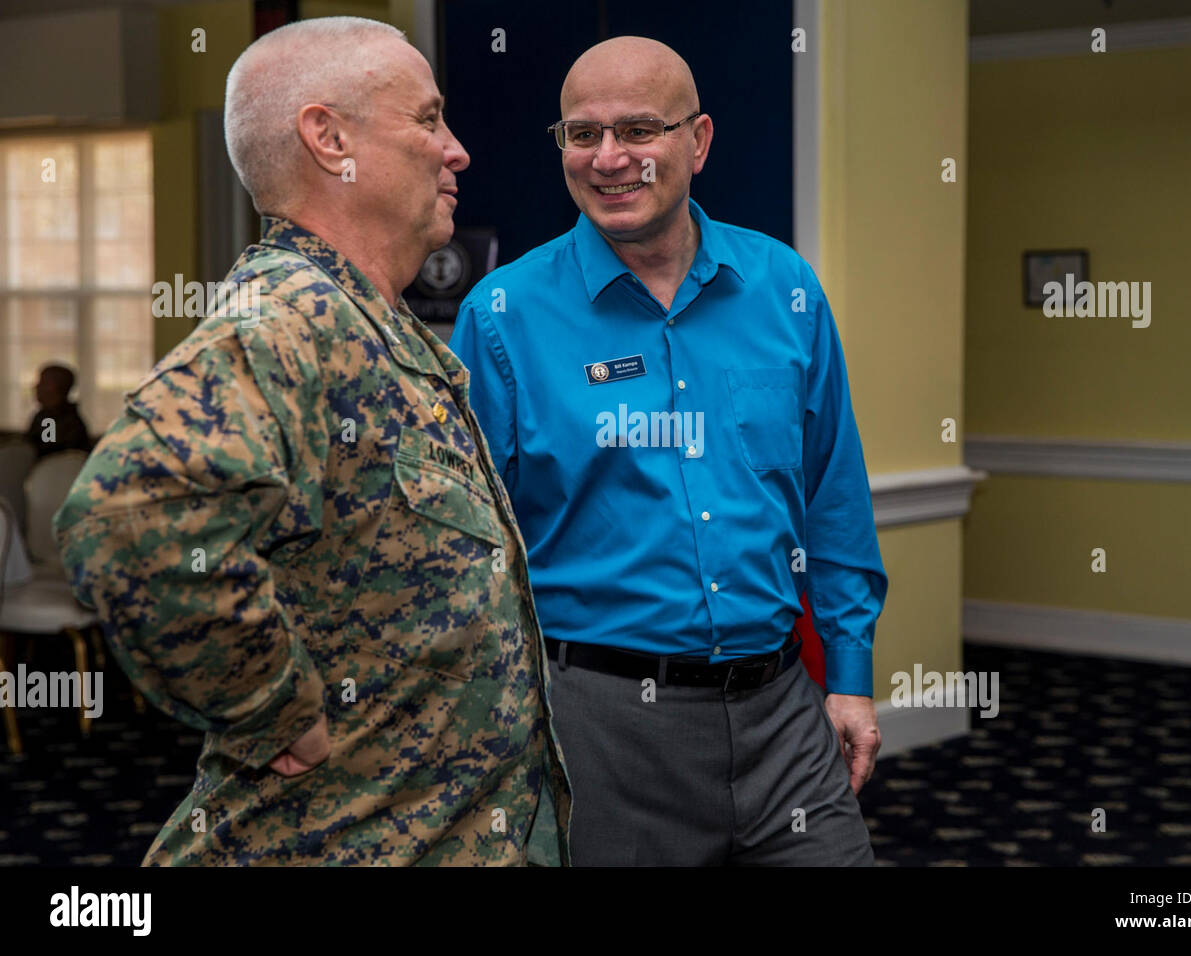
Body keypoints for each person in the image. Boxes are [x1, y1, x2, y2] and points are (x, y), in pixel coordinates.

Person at [54, 16, 570, 866]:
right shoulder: (295, 316)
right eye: (428, 119)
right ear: (330, 140)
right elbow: (130, 514)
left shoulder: (378, 326)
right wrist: (269, 705)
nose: (458, 150)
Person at [449, 36, 888, 866]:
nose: (610, 158)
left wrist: (851, 676)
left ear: (699, 140)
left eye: (639, 129)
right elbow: (471, 554)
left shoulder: (783, 287)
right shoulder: (502, 316)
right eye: (582, 134)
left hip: (782, 712)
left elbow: (832, 494)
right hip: (606, 727)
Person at [25, 364, 92, 458]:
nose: (37, 387)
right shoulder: (47, 416)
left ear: (58, 387)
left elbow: (47, 455)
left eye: (43, 382)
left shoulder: (51, 420)